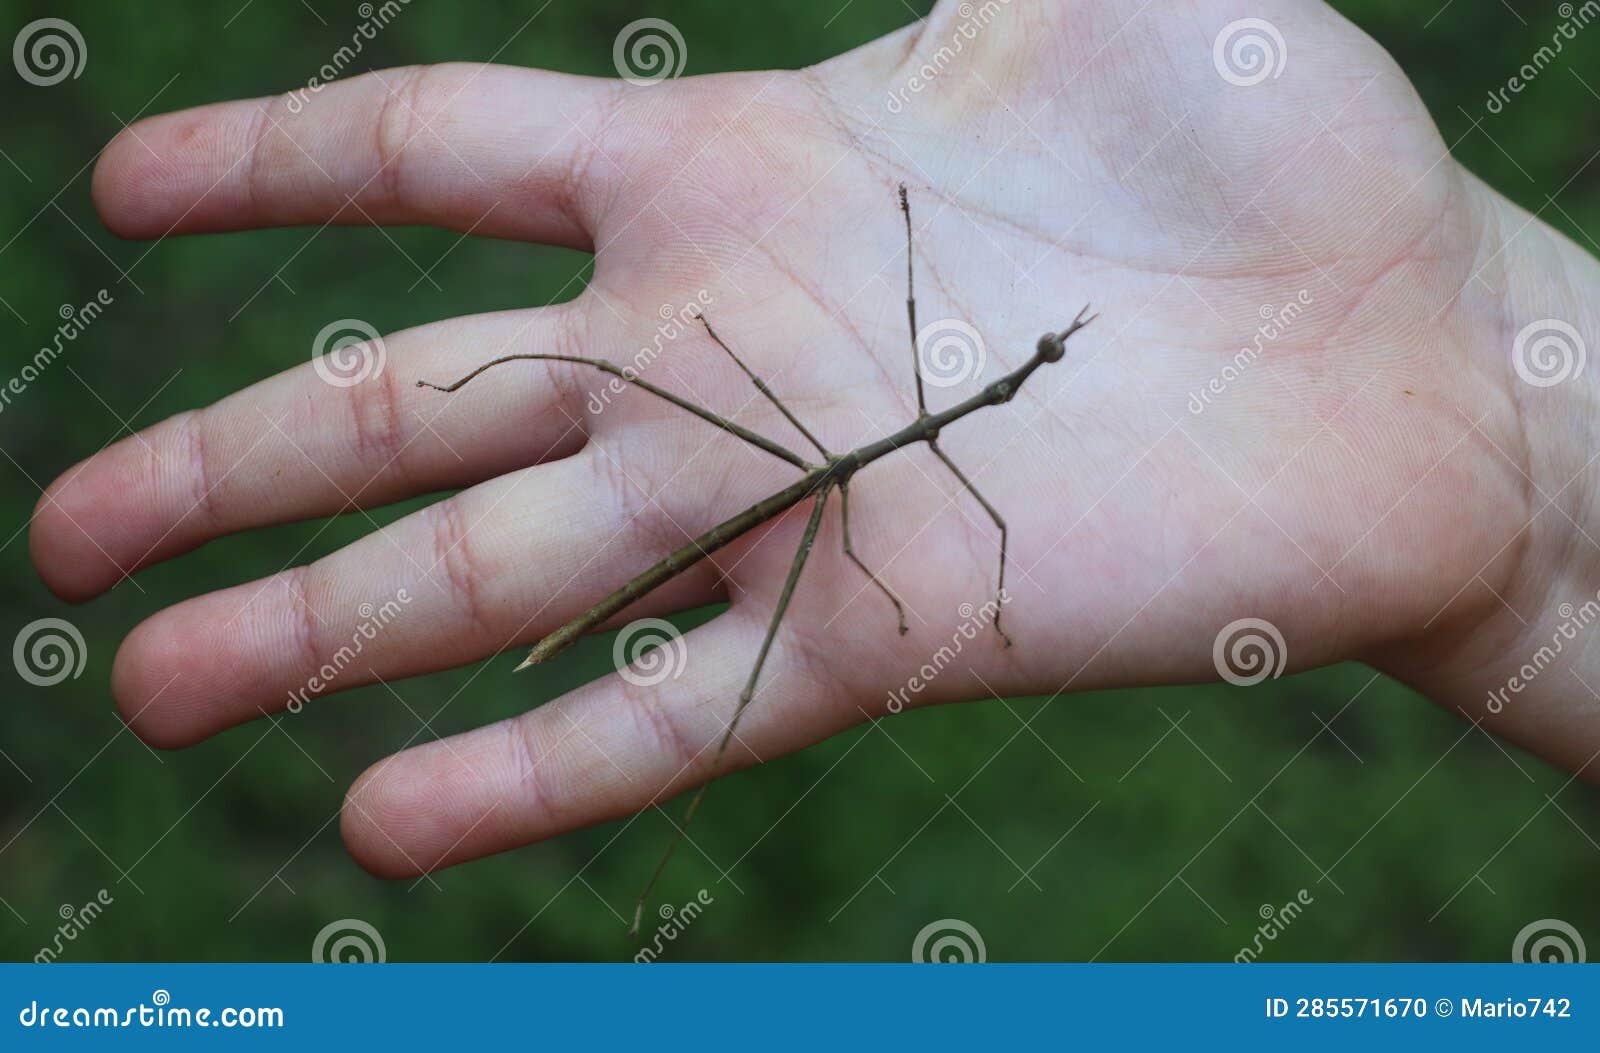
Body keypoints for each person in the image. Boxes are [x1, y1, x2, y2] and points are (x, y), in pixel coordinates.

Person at [30, 0, 1600, 880]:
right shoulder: (937, 428)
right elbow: (973, 495)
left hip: (824, 465)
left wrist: (1515, 449)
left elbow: (978, 487)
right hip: (794, 457)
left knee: (790, 578)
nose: (1031, 370)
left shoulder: (977, 416)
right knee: (687, 424)